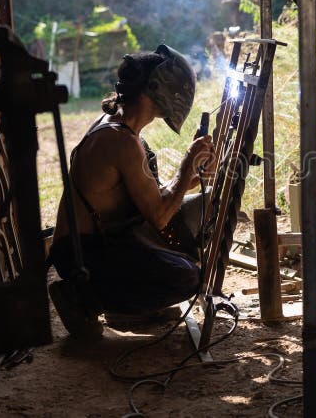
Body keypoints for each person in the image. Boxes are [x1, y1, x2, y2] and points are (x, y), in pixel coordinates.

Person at [48, 45, 215, 338]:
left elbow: (147, 197)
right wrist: (188, 163)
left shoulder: (121, 130)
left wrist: (189, 178)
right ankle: (84, 298)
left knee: (194, 228)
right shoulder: (119, 140)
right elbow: (158, 216)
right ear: (154, 88)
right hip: (83, 254)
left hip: (99, 242)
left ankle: (129, 305)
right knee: (187, 277)